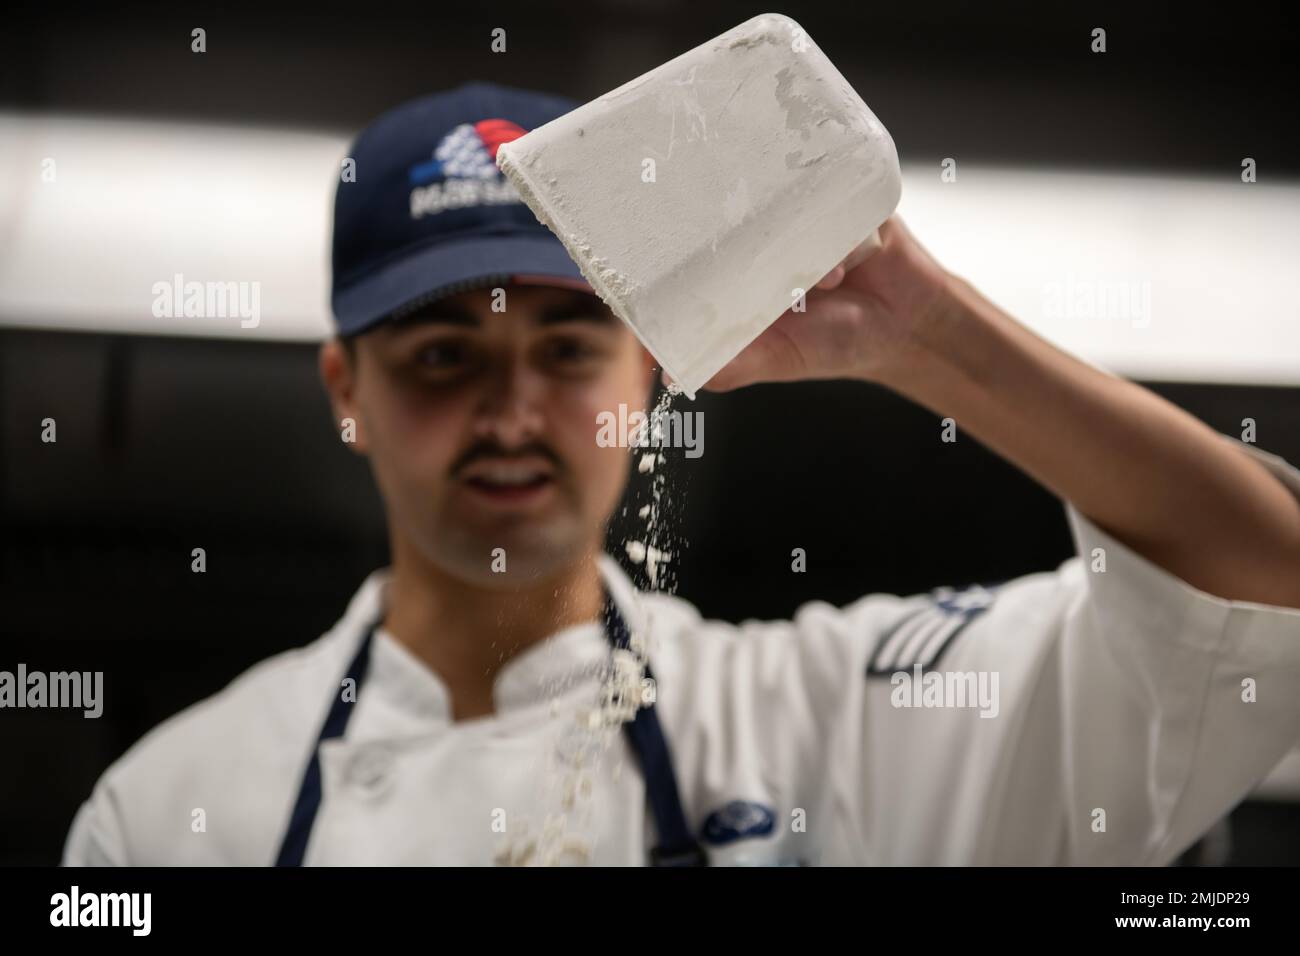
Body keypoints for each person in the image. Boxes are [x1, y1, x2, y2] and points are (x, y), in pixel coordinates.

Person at [63, 82, 1300, 866]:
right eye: (445, 358)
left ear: (646, 372)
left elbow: (1256, 586)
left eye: (565, 348)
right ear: (348, 393)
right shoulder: (176, 806)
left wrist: (931, 335)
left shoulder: (820, 719)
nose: (509, 411)